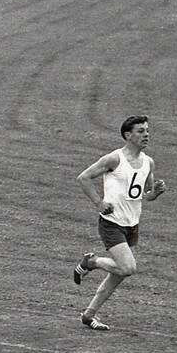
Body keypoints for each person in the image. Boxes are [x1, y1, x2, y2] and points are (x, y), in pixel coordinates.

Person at [71, 116, 166, 330]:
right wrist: (99, 202)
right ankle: (91, 262)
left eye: (147, 131)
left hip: (131, 224)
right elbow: (83, 178)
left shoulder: (148, 162)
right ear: (128, 135)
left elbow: (145, 195)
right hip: (111, 223)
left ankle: (89, 314)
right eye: (140, 131)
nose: (146, 135)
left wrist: (156, 193)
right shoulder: (114, 159)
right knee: (127, 267)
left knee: (119, 274)